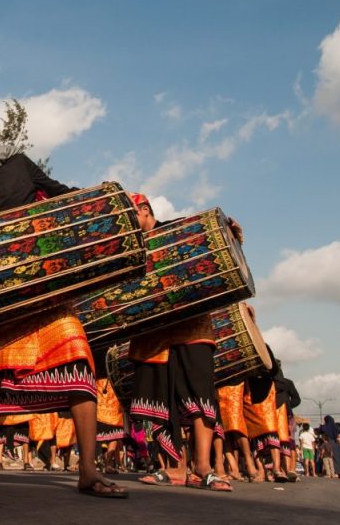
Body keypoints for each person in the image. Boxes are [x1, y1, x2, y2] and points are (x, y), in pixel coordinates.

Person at [0, 92, 126, 498]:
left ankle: (88, 470)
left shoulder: (18, 166)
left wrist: (102, 199)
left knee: (76, 357)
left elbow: (64, 195)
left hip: (37, 291)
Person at [129, 194, 239, 493]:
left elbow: (211, 242)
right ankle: (174, 468)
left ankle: (203, 469)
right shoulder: (129, 250)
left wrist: (230, 234)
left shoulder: (177, 230)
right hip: (151, 334)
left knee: (199, 396)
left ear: (144, 209)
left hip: (192, 327)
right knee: (158, 401)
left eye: (130, 215)